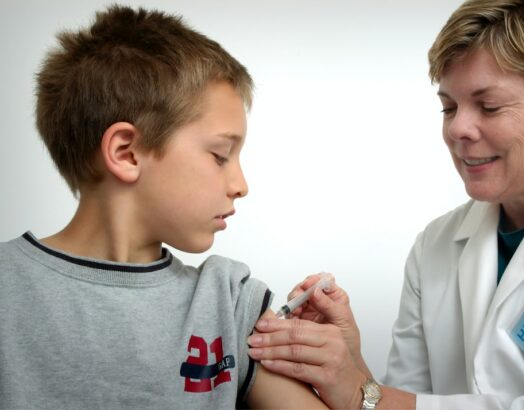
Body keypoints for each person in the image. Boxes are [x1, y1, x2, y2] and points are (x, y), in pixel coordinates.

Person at [247, 0, 524, 408]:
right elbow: (399, 402)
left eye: (489, 106)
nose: (457, 128)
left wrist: (355, 392)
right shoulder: (436, 246)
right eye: (449, 107)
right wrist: (351, 367)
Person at [0, 5, 327, 409]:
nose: (241, 186)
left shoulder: (228, 305)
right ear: (127, 153)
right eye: (220, 155)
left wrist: (351, 375)